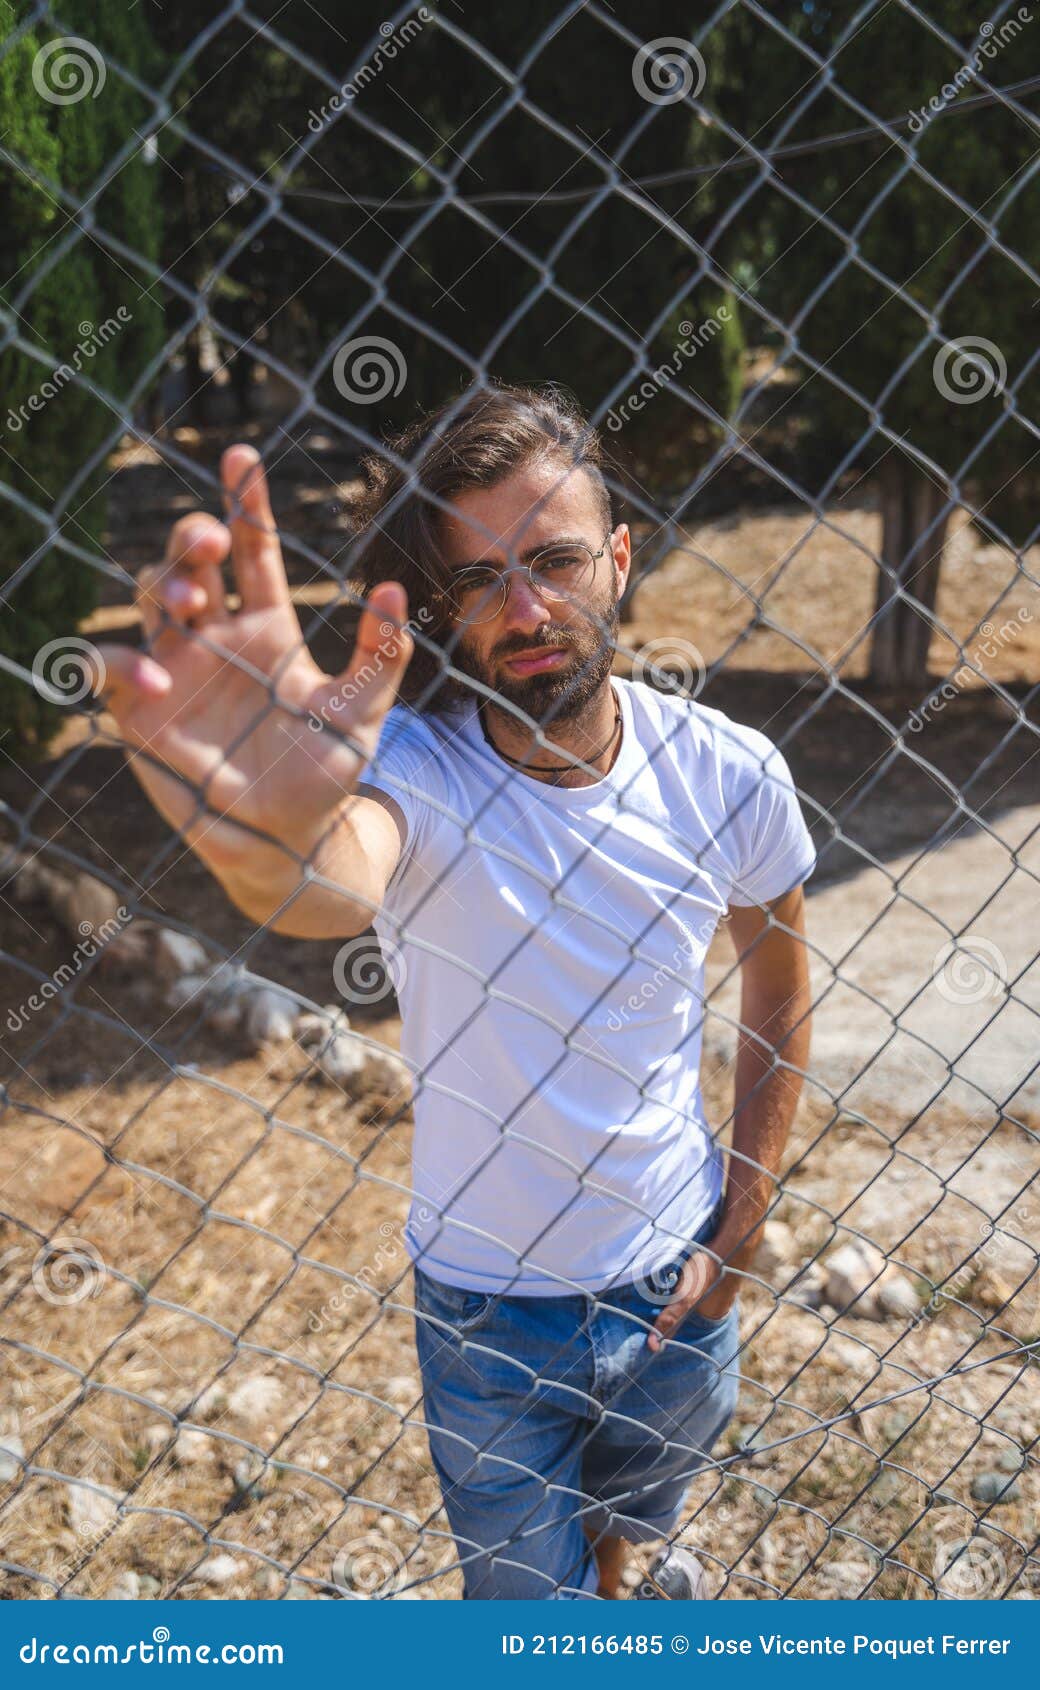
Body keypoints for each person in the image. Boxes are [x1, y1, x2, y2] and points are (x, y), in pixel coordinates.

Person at [96, 382, 815, 1600]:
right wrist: (255, 832)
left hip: (675, 1279)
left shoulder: (728, 775)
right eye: (479, 580)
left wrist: (736, 1234)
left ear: (621, 560)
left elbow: (778, 999)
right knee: (523, 1630)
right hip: (486, 1315)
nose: (523, 607)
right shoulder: (415, 774)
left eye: (553, 561)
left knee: (623, 1533)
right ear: (440, 606)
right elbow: (322, 884)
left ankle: (621, 1569)